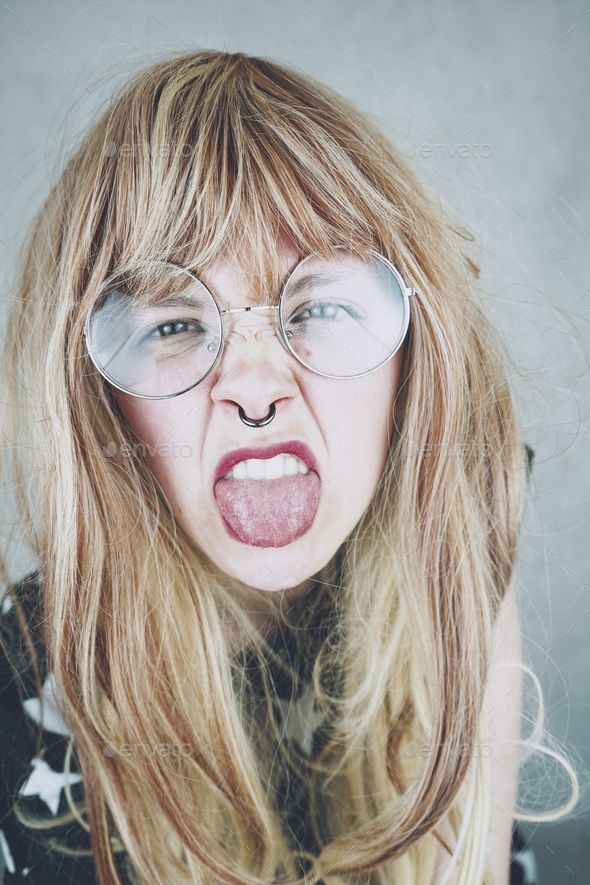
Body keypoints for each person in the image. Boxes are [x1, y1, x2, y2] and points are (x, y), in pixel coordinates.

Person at [0, 49, 576, 885]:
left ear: (409, 362)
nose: (257, 387)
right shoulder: (19, 697)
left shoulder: (464, 518)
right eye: (172, 323)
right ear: (99, 399)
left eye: (320, 305)